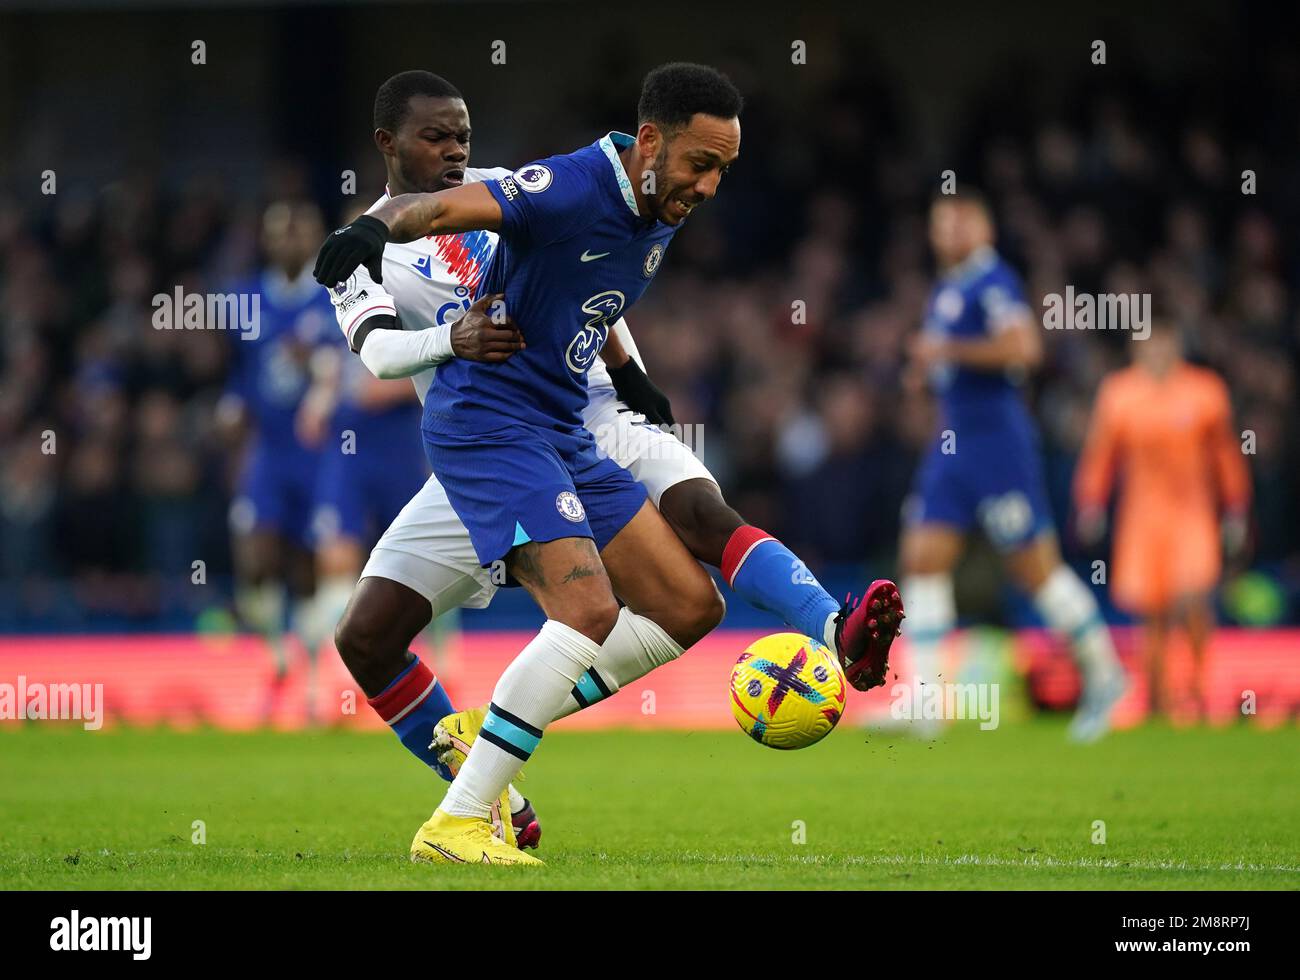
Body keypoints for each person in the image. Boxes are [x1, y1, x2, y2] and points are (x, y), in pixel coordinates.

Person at [315, 65, 903, 865]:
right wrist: (409, 279)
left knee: (692, 582)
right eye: (435, 137)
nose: (456, 152)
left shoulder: (564, 189)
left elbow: (588, 279)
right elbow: (382, 341)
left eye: (463, 136)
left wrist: (628, 371)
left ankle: (834, 630)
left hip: (577, 416)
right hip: (487, 431)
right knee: (373, 637)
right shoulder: (374, 250)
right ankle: (467, 806)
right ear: (387, 143)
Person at [901, 188, 1124, 742]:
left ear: (985, 229)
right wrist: (929, 374)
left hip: (998, 446)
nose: (948, 233)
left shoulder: (994, 281)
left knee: (1034, 570)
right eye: (939, 224)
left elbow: (1024, 349)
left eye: (959, 222)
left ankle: (1106, 675)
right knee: (922, 557)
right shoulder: (949, 289)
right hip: (954, 445)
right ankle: (926, 704)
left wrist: (946, 354)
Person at [1073, 319, 1250, 720]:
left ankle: (1200, 690)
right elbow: (1101, 454)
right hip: (1142, 516)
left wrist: (1236, 507)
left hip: (1192, 513)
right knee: (1150, 612)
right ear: (1137, 349)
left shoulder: (1205, 391)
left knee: (1192, 599)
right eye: (1149, 345)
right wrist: (1091, 503)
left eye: (1164, 344)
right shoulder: (1119, 393)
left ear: (1177, 345)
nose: (1157, 353)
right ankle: (1157, 702)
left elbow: (1225, 455)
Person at [217, 201, 335, 721]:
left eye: (298, 230)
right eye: (278, 231)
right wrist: (230, 407)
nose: (288, 240)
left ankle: (309, 682)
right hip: (267, 449)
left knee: (306, 568)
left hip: (318, 453)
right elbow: (238, 370)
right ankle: (274, 654)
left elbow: (352, 367)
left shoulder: (334, 296)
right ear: (265, 240)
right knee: (255, 557)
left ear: (314, 238)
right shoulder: (245, 298)